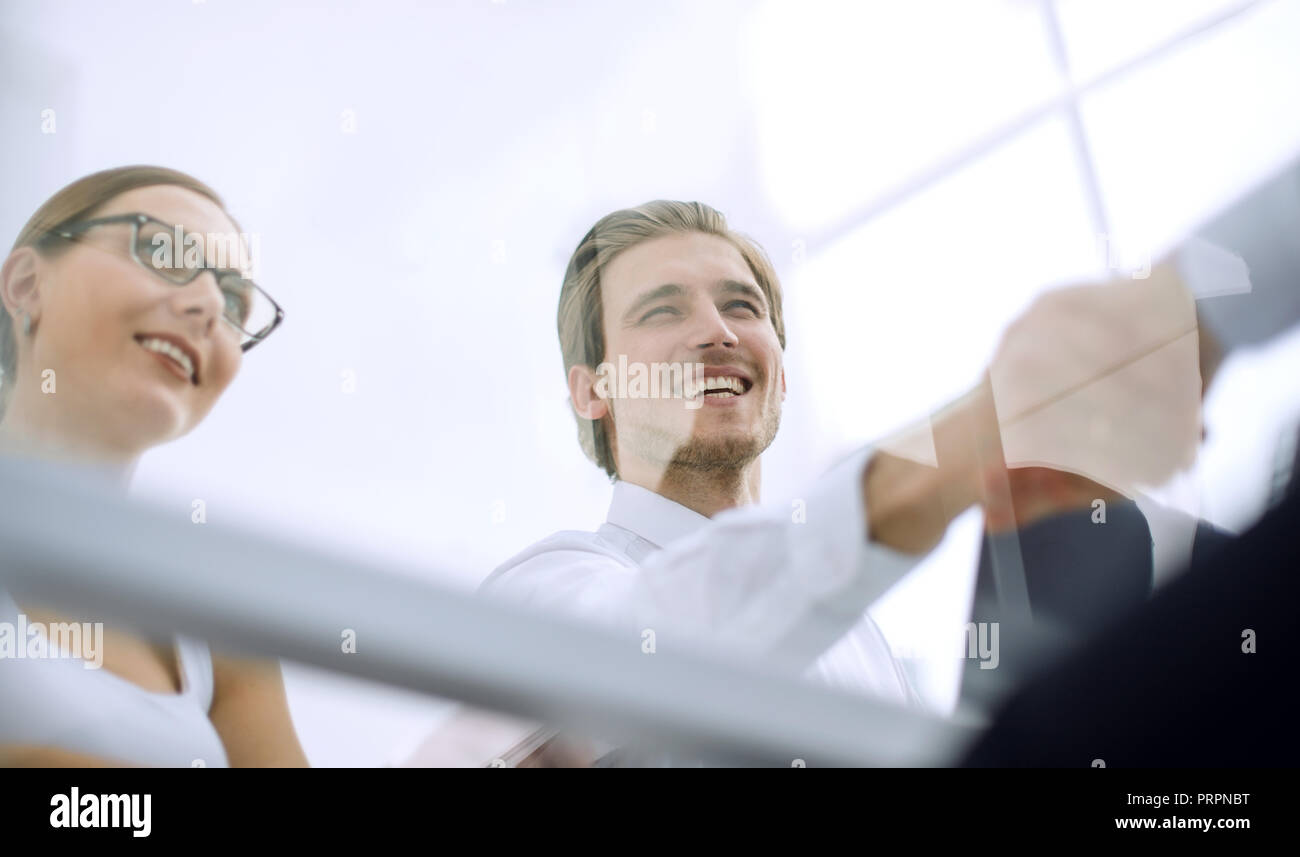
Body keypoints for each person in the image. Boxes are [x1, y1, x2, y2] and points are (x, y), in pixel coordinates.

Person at [456, 199, 1202, 765]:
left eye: (741, 305)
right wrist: (962, 446)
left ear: (778, 368)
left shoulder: (860, 635)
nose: (716, 330)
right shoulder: (550, 585)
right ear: (593, 391)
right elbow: (655, 649)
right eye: (661, 308)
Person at [0, 165, 307, 767]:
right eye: (163, 252)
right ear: (27, 285)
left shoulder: (210, 618)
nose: (207, 305)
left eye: (235, 302)